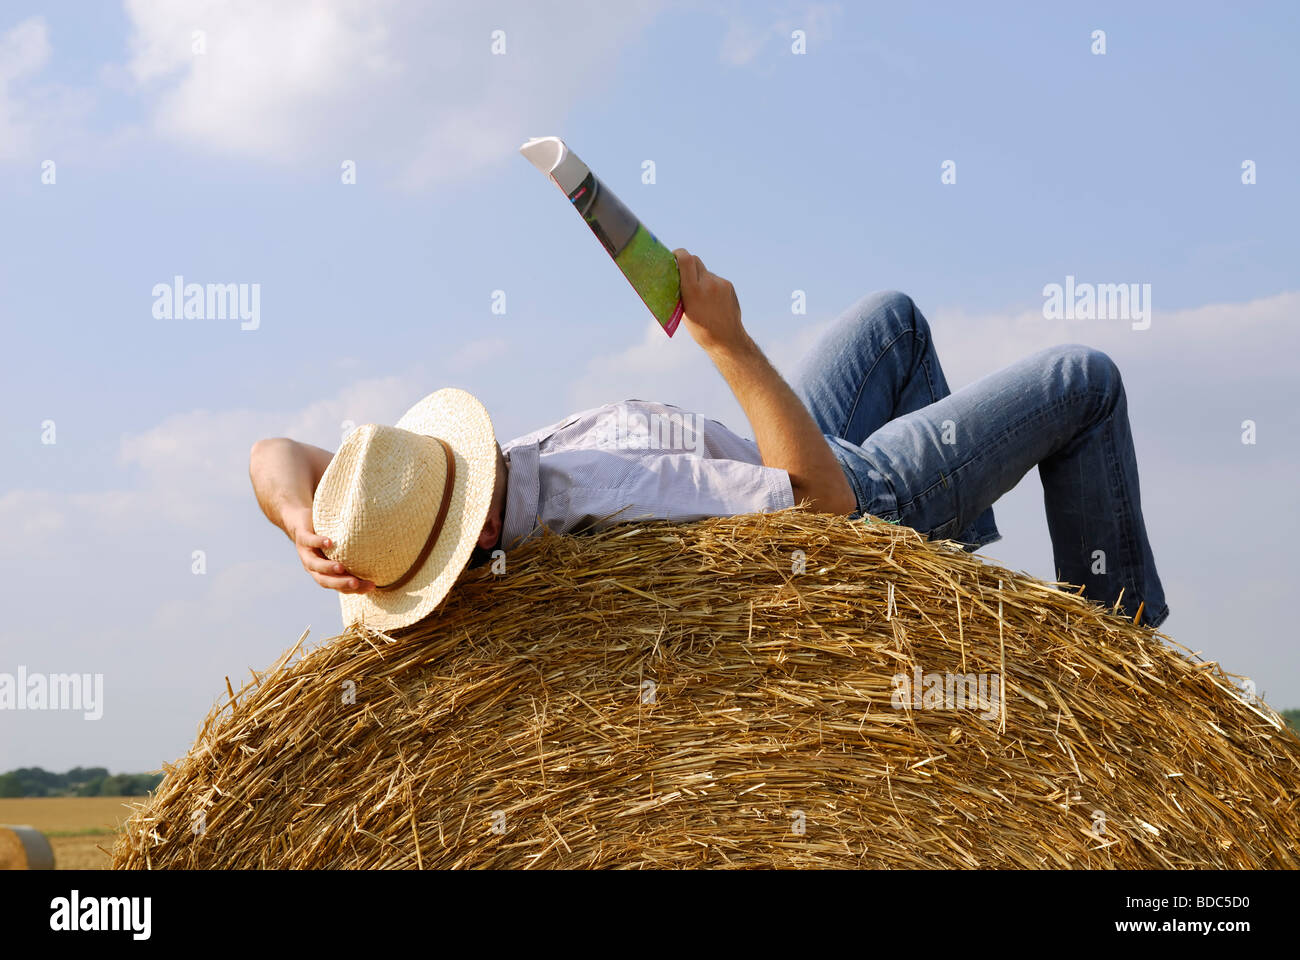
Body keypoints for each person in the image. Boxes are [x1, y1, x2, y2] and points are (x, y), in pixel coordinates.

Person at [249, 249, 1167, 631]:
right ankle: (1118, 653)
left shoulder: (418, 502)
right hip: (850, 490)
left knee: (892, 322)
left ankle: (933, 599)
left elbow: (271, 453)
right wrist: (726, 339)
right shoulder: (601, 500)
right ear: (476, 541)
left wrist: (299, 518)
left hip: (755, 451)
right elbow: (821, 505)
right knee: (1082, 380)